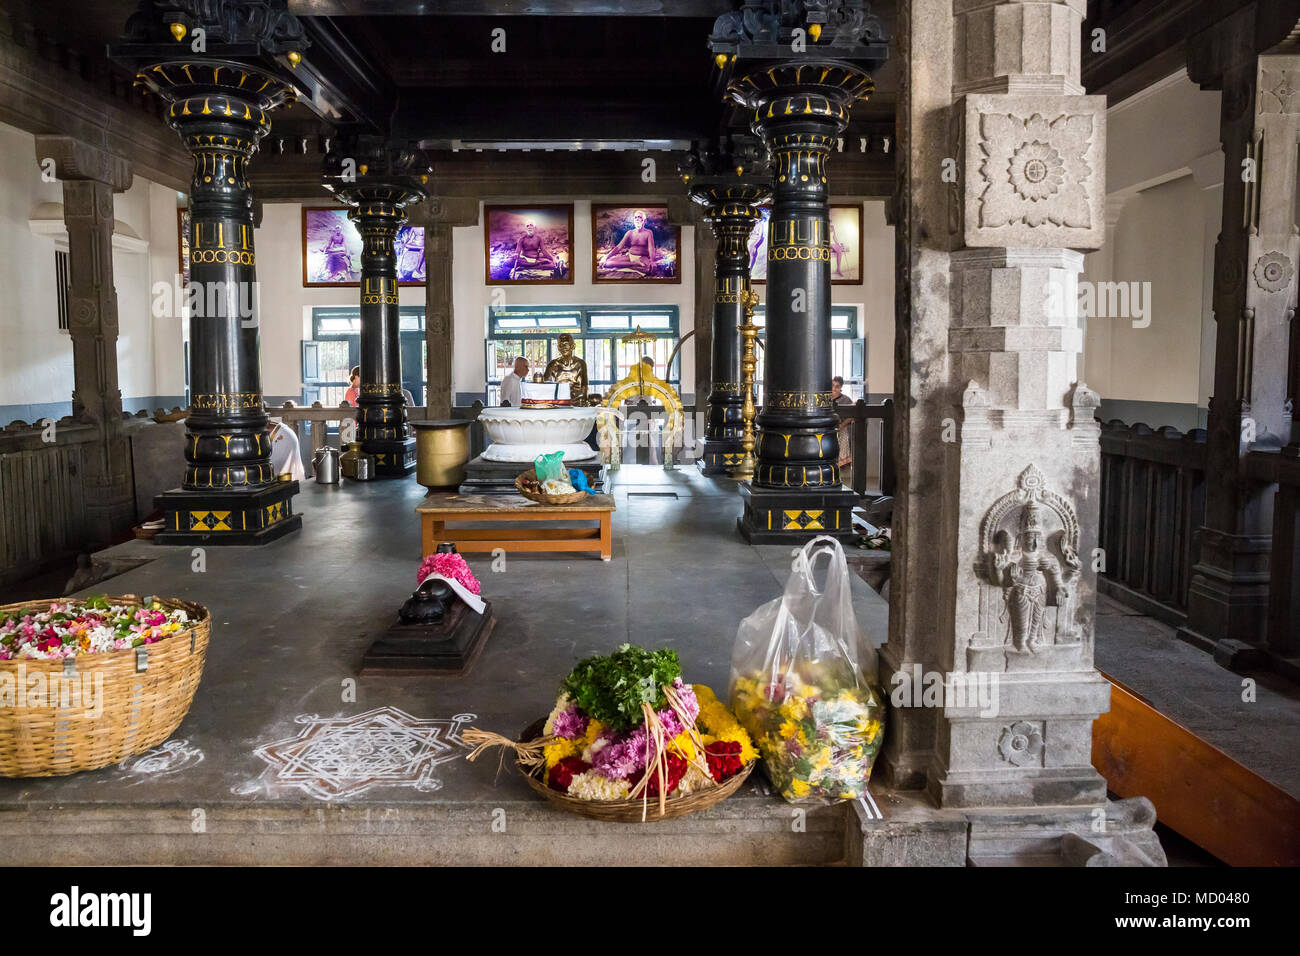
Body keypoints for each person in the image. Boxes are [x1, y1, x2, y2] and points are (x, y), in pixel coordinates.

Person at [600, 209, 657, 276]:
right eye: (635, 217)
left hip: (642, 257)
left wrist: (652, 261)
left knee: (648, 268)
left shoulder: (648, 233)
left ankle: (634, 265)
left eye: (639, 217)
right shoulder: (630, 233)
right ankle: (635, 264)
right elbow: (618, 247)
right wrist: (606, 257)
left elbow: (651, 248)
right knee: (608, 263)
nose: (637, 219)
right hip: (630, 257)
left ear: (644, 221)